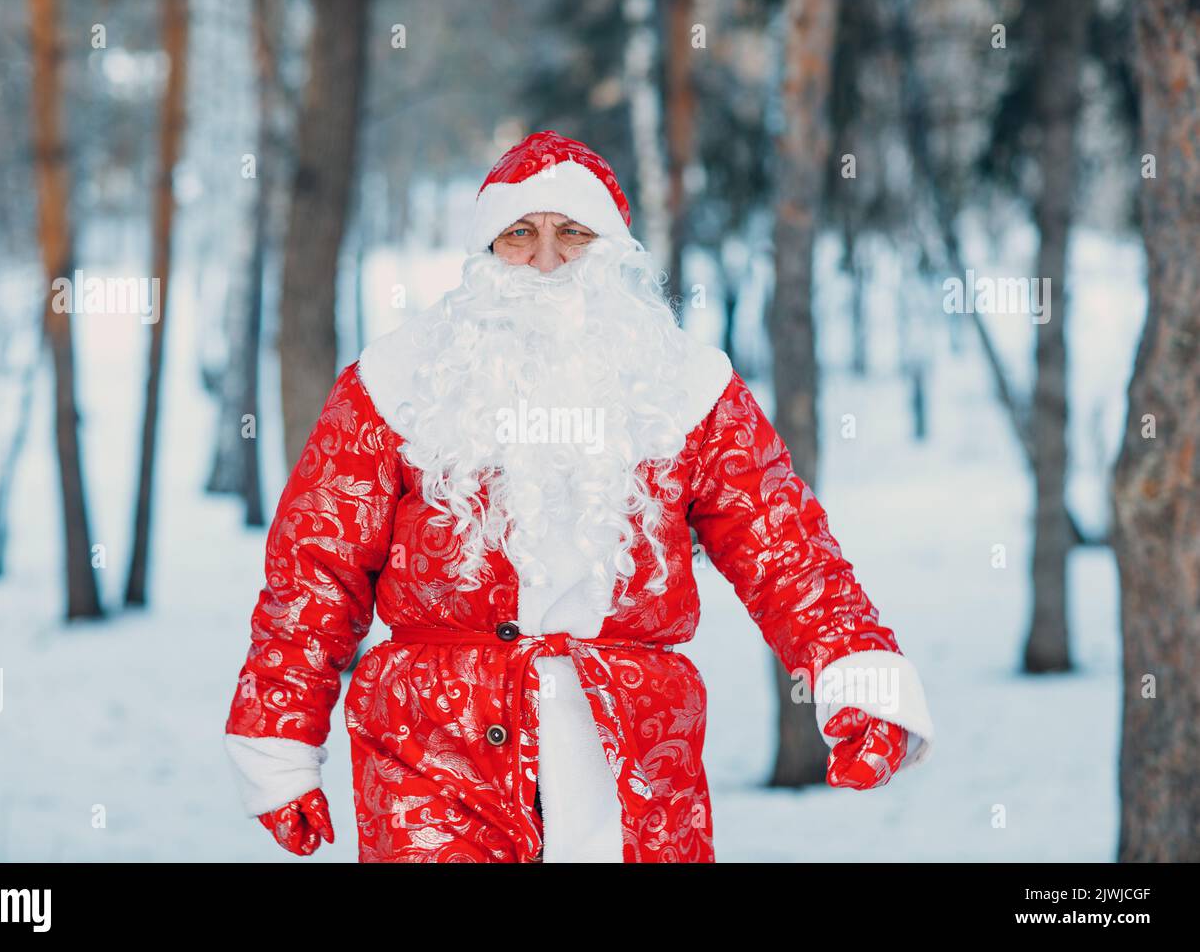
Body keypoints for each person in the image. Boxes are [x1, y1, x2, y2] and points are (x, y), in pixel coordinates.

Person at [222, 129, 935, 863]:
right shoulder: (396, 382)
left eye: (573, 233)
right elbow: (315, 569)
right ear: (486, 251)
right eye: (520, 234)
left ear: (611, 249)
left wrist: (860, 674)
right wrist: (279, 736)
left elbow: (784, 545)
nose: (548, 259)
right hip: (432, 753)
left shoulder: (686, 389)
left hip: (632, 756)